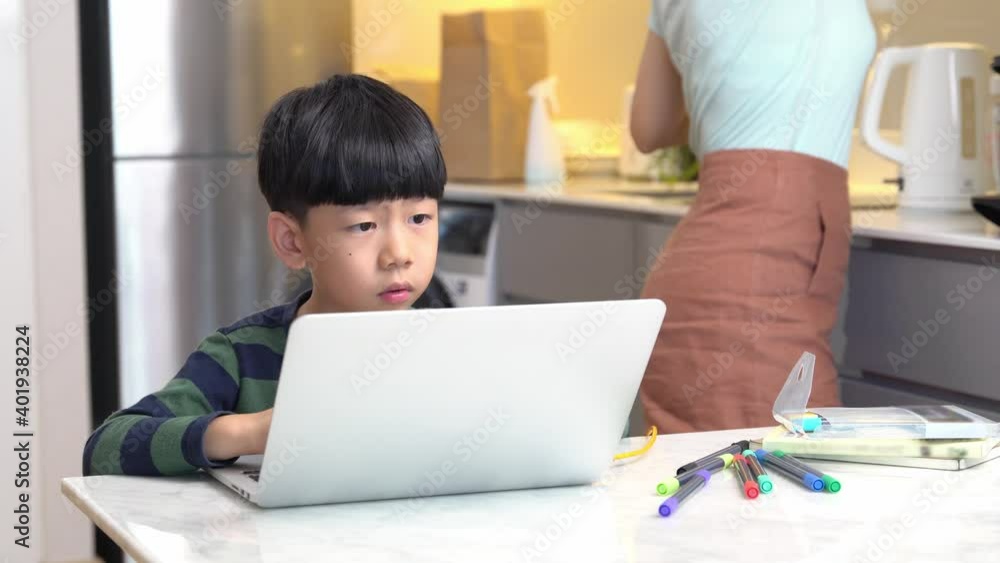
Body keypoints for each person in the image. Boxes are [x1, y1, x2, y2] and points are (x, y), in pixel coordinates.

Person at [83, 74, 446, 475]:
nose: (399, 255)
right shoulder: (243, 357)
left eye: (419, 218)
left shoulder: (455, 351)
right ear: (292, 241)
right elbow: (107, 448)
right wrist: (250, 432)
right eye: (363, 225)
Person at [632, 0, 876, 432]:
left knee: (773, 458)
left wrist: (714, 98)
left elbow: (651, 126)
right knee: (790, 452)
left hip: (708, 277)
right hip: (749, 284)